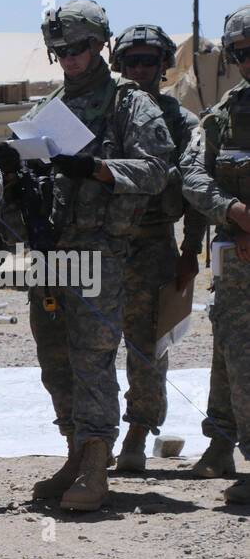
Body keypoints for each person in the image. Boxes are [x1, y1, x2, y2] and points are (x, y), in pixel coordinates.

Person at [0, 0, 172, 511]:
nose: (68, 59)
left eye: (77, 48)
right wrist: (7, 168)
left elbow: (158, 171)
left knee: (93, 360)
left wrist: (97, 169)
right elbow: (11, 177)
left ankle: (96, 465)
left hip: (99, 253)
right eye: (60, 51)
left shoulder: (128, 104)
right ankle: (74, 453)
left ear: (100, 46)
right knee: (55, 360)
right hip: (47, 255)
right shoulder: (44, 111)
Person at [107, 25, 207, 471]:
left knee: (148, 345)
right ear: (120, 66)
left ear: (164, 66)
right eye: (133, 62)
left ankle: (137, 432)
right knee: (90, 342)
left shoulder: (181, 122)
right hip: (101, 244)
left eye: (150, 62)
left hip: (153, 246)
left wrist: (191, 252)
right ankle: (92, 439)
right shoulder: (104, 113)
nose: (141, 70)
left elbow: (198, 190)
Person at [183, 4, 250, 502]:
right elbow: (194, 175)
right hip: (237, 261)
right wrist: (232, 211)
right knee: (233, 351)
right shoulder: (225, 115)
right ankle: (223, 443)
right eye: (242, 53)